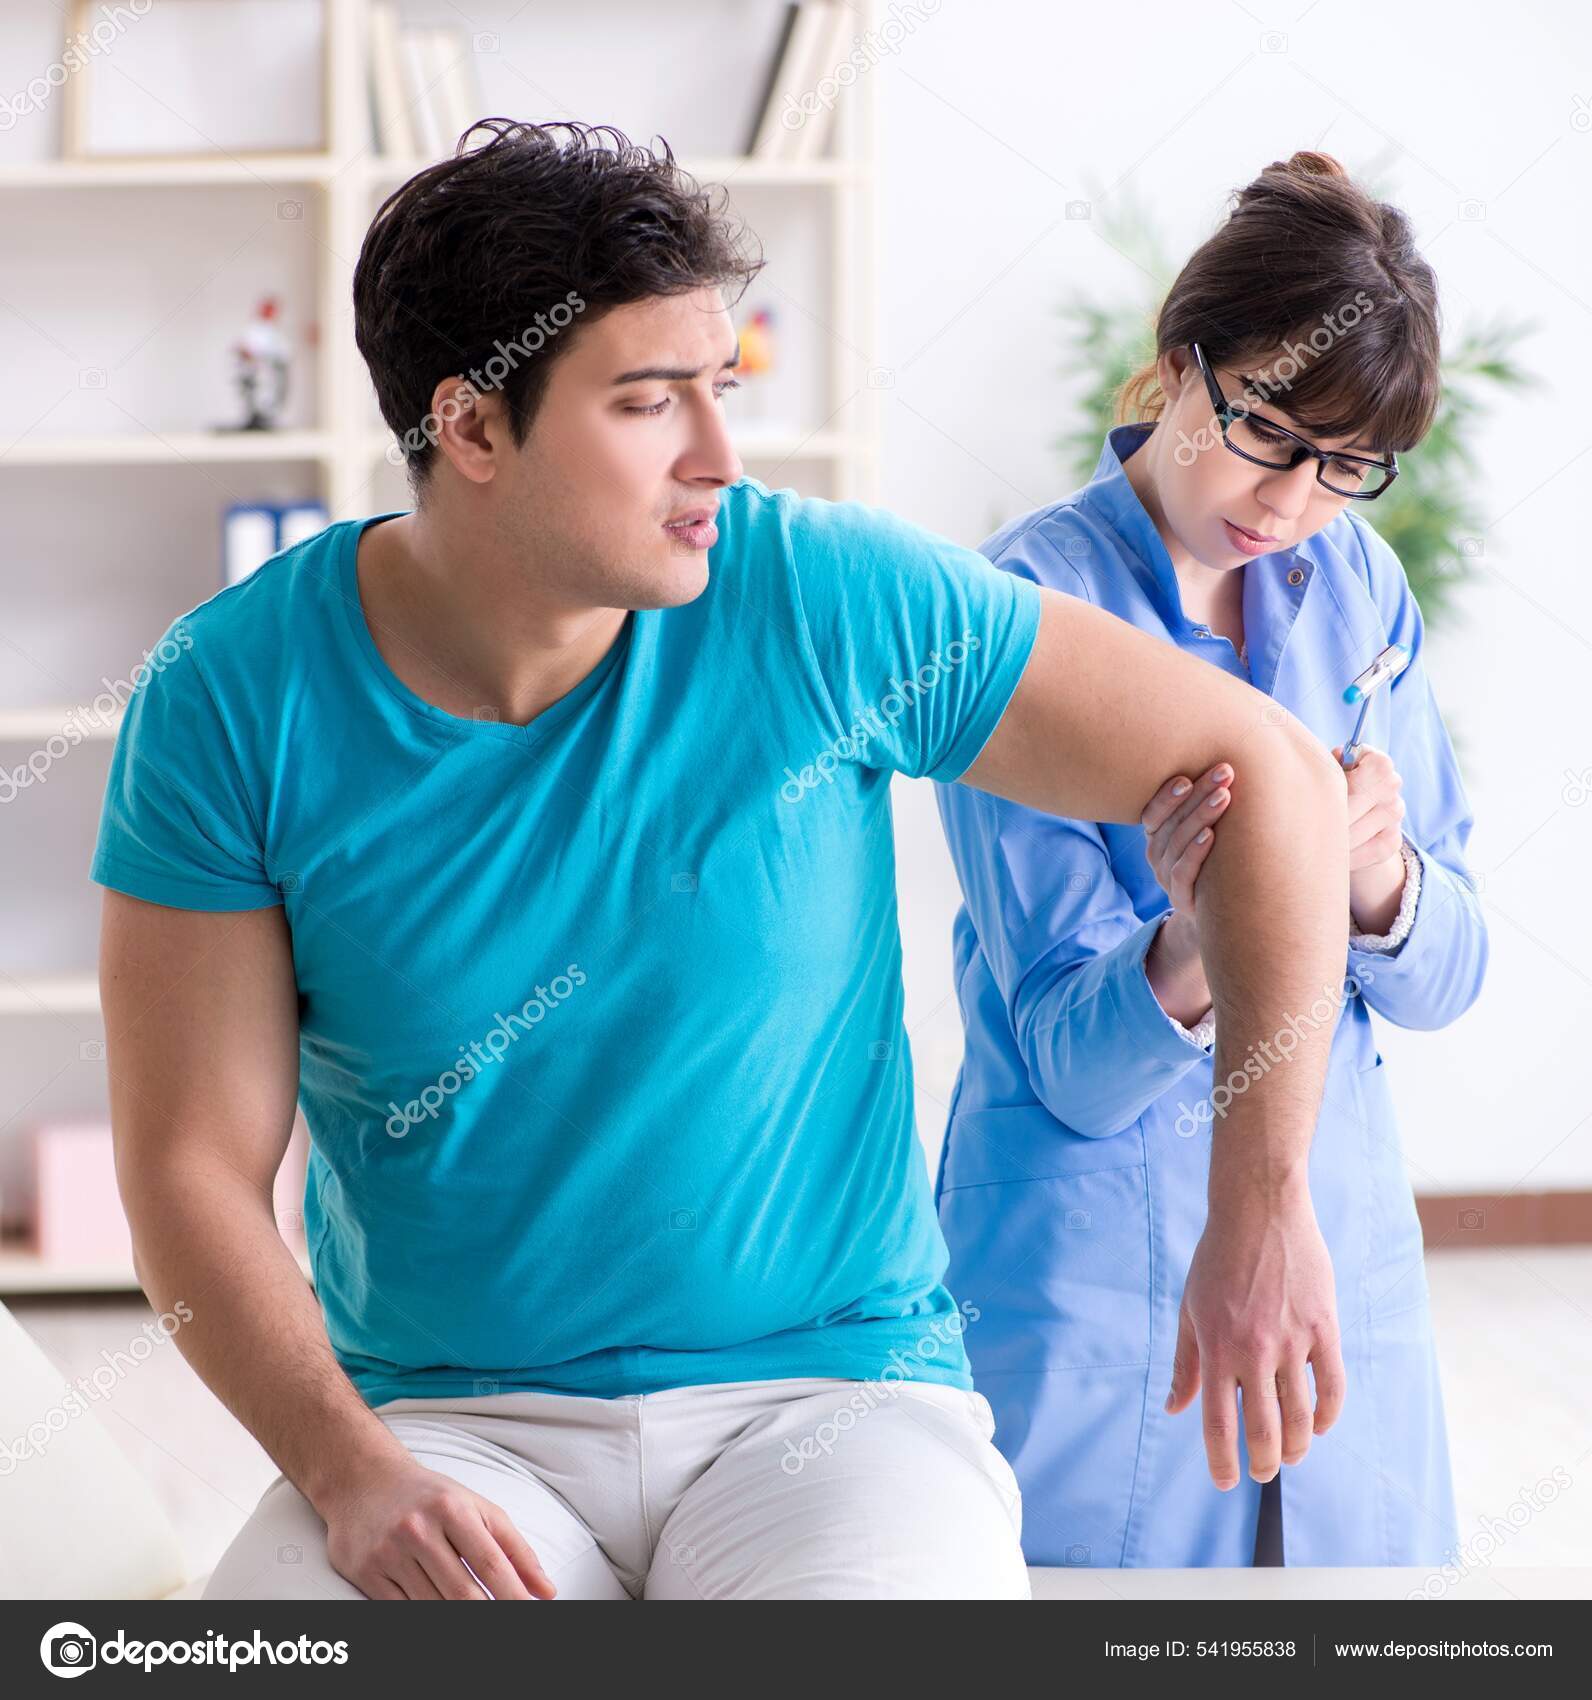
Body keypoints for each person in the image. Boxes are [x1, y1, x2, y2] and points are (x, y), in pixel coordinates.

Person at [94, 122, 1350, 1601]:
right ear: (473, 429)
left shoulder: (819, 595)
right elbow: (190, 1168)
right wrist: (349, 1469)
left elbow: (1271, 776)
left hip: (833, 1404)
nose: (718, 456)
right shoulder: (231, 696)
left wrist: (1262, 1205)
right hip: (444, 1425)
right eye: (649, 402)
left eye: (721, 388)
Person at [933, 150, 1487, 1569]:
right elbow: (1068, 1063)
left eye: (1345, 468)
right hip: (1095, 1268)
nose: (1292, 501)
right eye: (1267, 433)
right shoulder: (1022, 609)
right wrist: (1200, 938)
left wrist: (1375, 883)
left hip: (1332, 1237)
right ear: (1181, 363)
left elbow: (1450, 972)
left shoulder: (1359, 585)